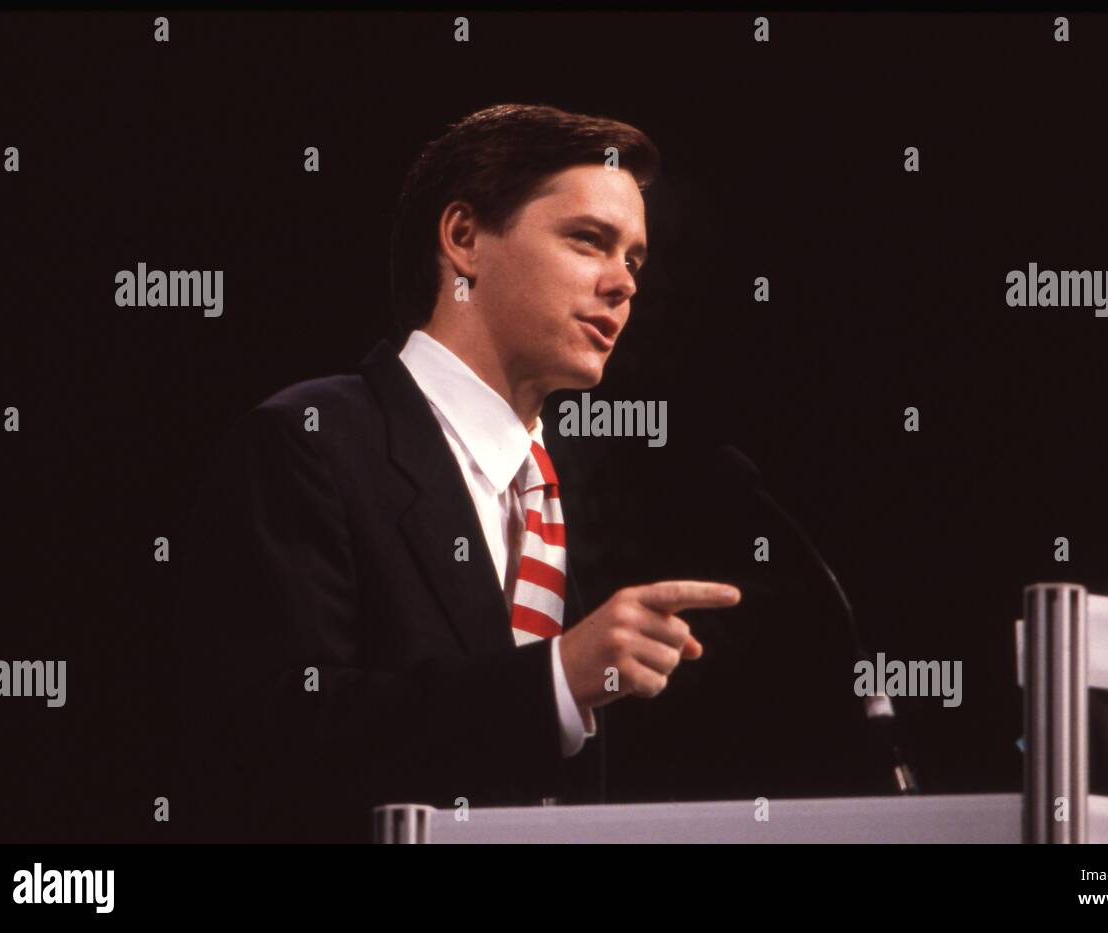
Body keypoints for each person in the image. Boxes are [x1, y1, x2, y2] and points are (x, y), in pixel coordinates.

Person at [173, 103, 741, 842]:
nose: (624, 283)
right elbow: (272, 736)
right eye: (588, 241)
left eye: (633, 259)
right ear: (465, 239)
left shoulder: (569, 498)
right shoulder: (307, 442)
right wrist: (553, 680)